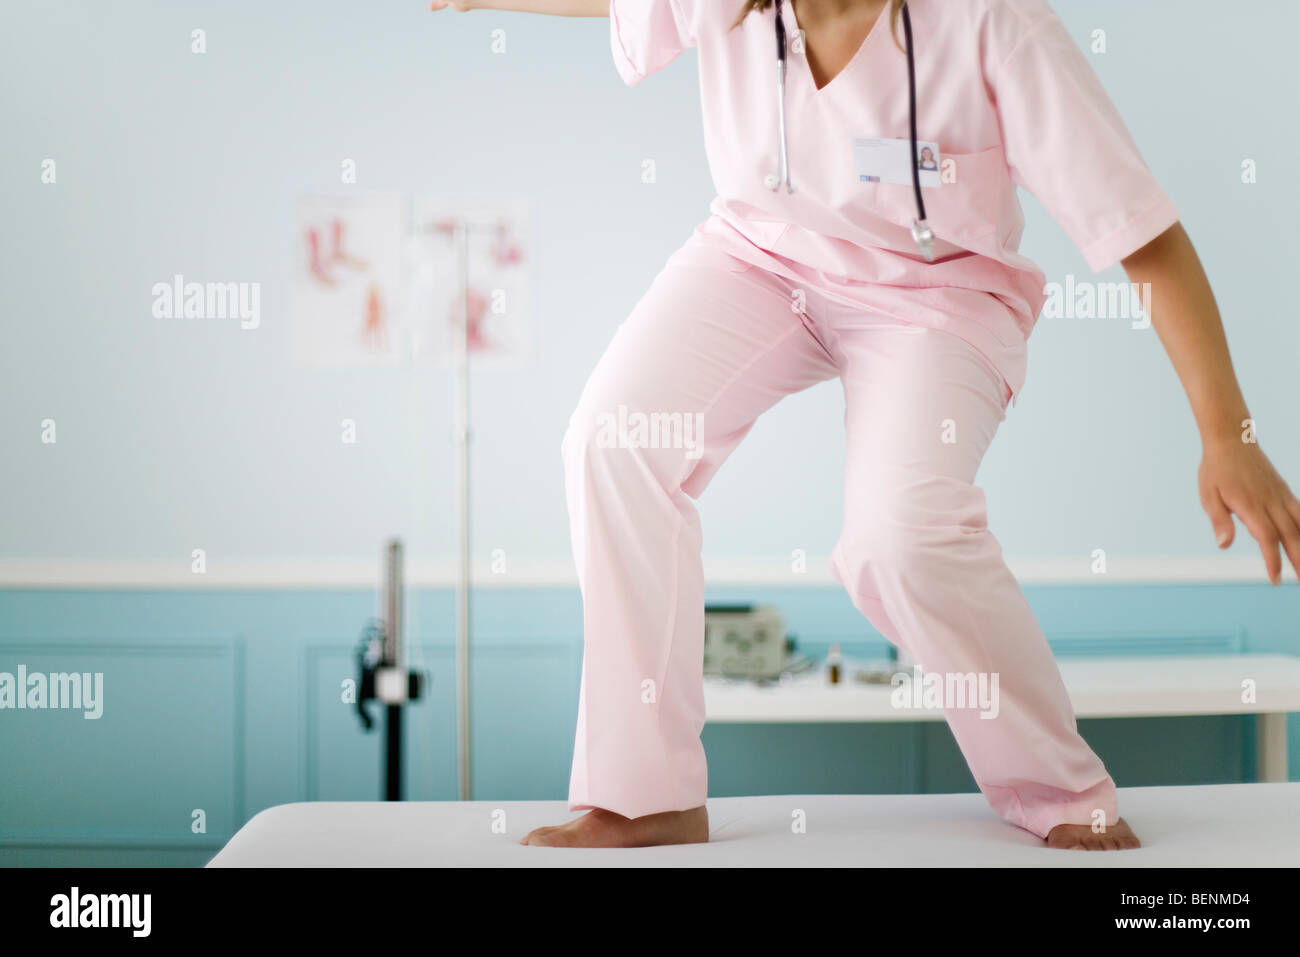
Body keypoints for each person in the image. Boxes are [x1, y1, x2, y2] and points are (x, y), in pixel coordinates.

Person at [429, 0, 1300, 850]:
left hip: (940, 295)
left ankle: (1056, 786)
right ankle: (640, 792)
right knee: (613, 442)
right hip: (760, 258)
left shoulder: (994, 24)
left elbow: (1142, 233)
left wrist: (1228, 433)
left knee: (897, 537)